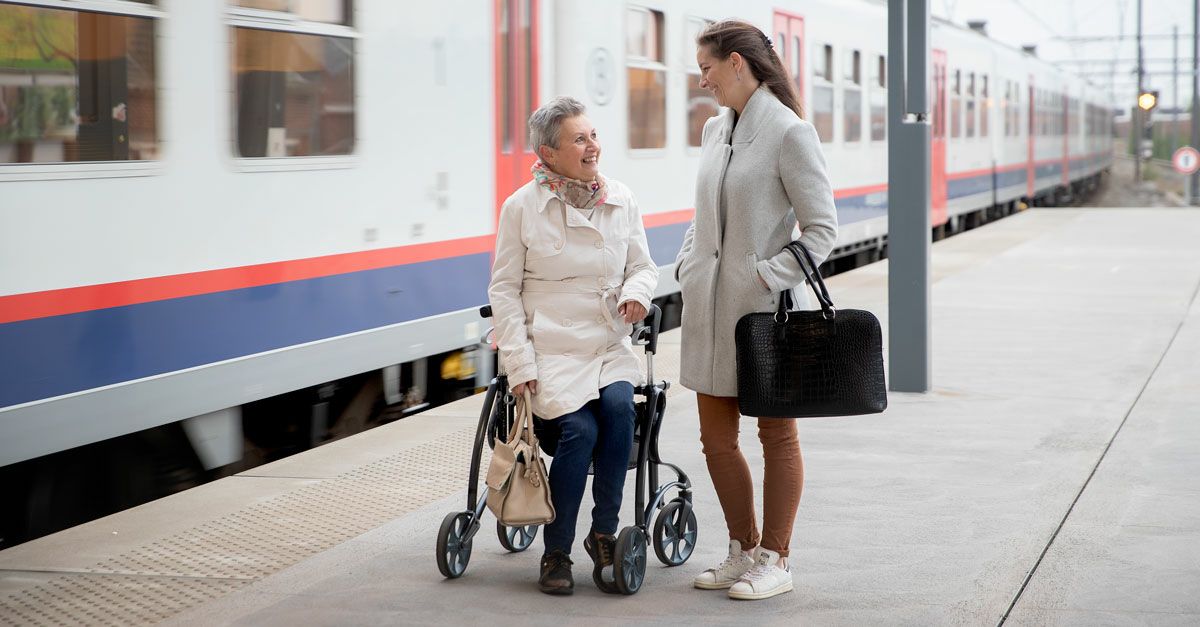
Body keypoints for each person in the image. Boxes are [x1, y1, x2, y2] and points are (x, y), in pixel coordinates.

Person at [675, 20, 838, 601]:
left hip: (765, 314)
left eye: (707, 68)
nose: (702, 80)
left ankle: (776, 558)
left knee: (776, 436)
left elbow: (822, 230)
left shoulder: (790, 132)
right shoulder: (715, 129)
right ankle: (742, 549)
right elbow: (703, 216)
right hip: (708, 309)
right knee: (716, 440)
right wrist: (689, 264)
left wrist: (766, 276)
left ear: (737, 63)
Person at [488, 96, 659, 595]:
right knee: (580, 432)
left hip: (606, 343)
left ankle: (603, 533)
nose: (593, 147)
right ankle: (556, 551)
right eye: (579, 139)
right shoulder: (521, 208)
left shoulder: (621, 198)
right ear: (548, 152)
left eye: (594, 136)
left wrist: (636, 293)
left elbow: (643, 266)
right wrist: (519, 363)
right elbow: (504, 290)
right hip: (550, 351)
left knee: (621, 408)